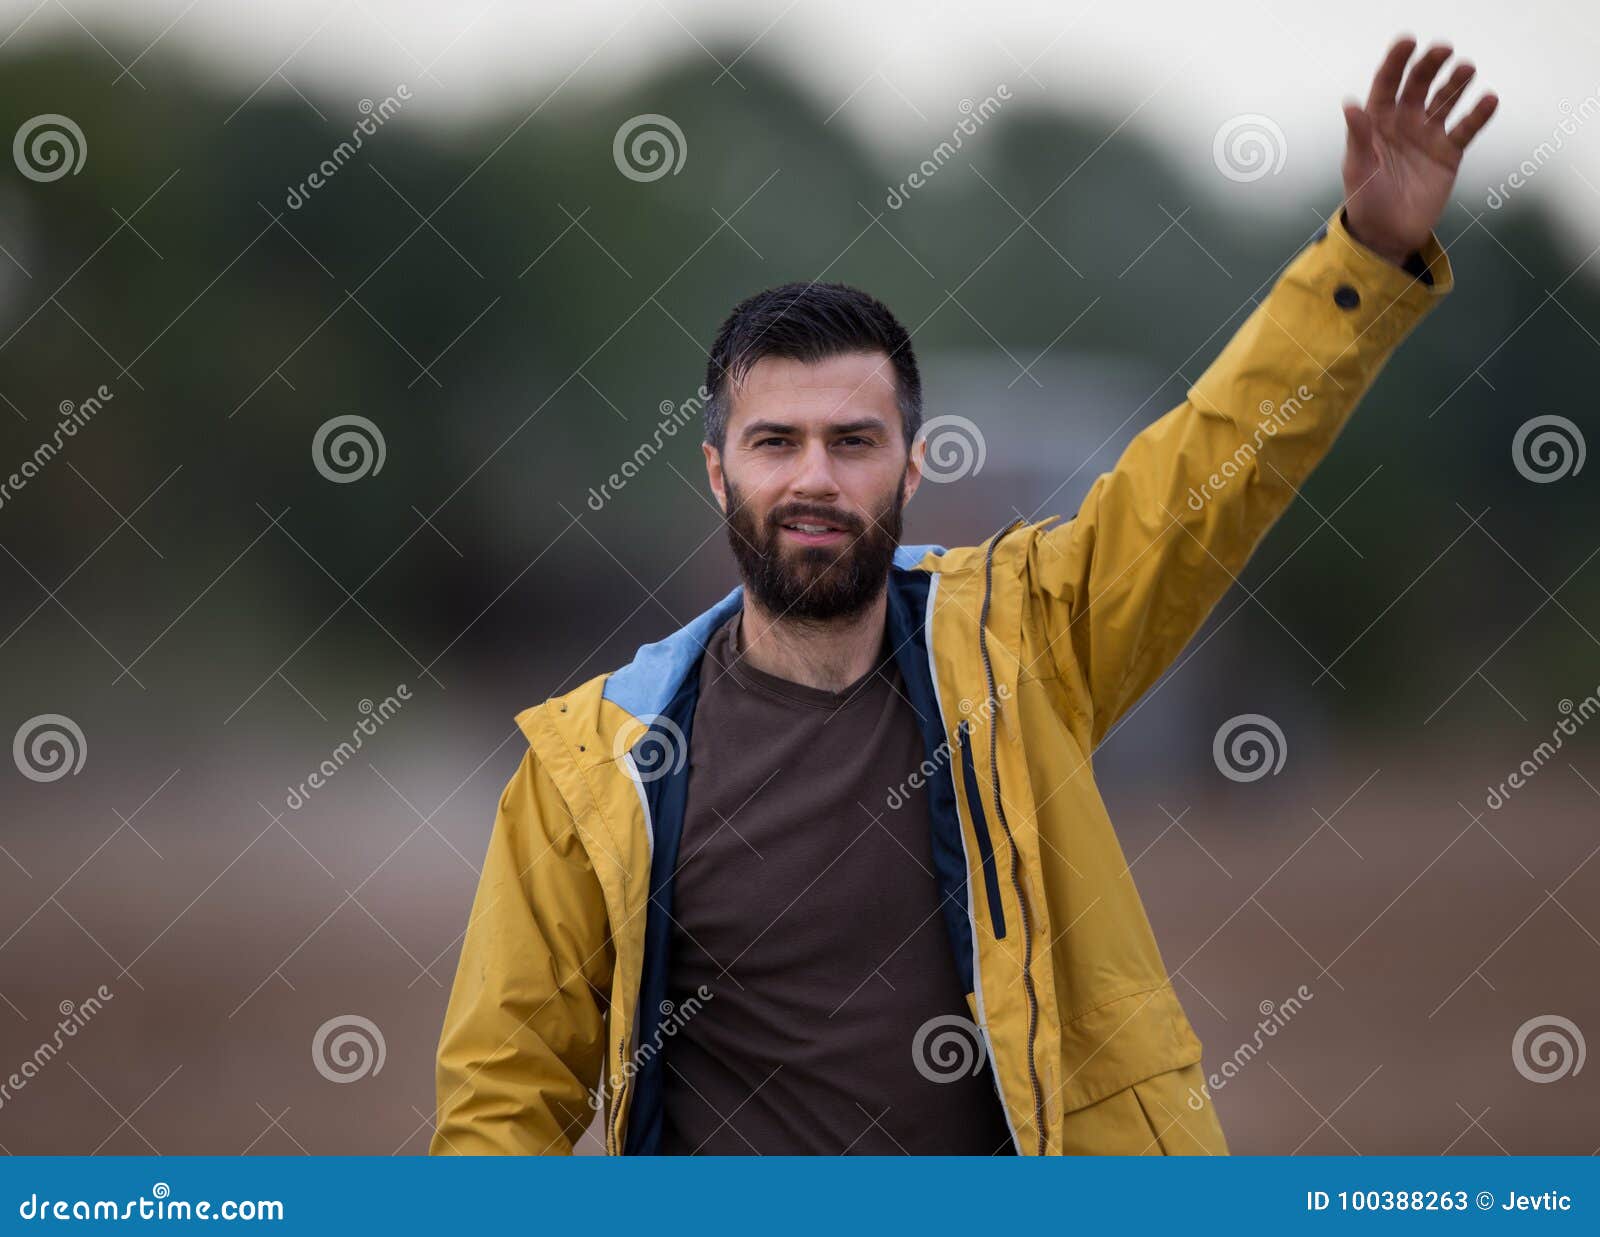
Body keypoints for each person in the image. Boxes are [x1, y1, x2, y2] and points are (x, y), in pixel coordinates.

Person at [430, 34, 1497, 1156]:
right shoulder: (594, 770)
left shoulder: (1025, 641)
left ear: (913, 463)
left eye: (852, 440)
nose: (813, 477)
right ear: (717, 470)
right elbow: (502, 1098)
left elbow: (1204, 481)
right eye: (774, 442)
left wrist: (1366, 257)